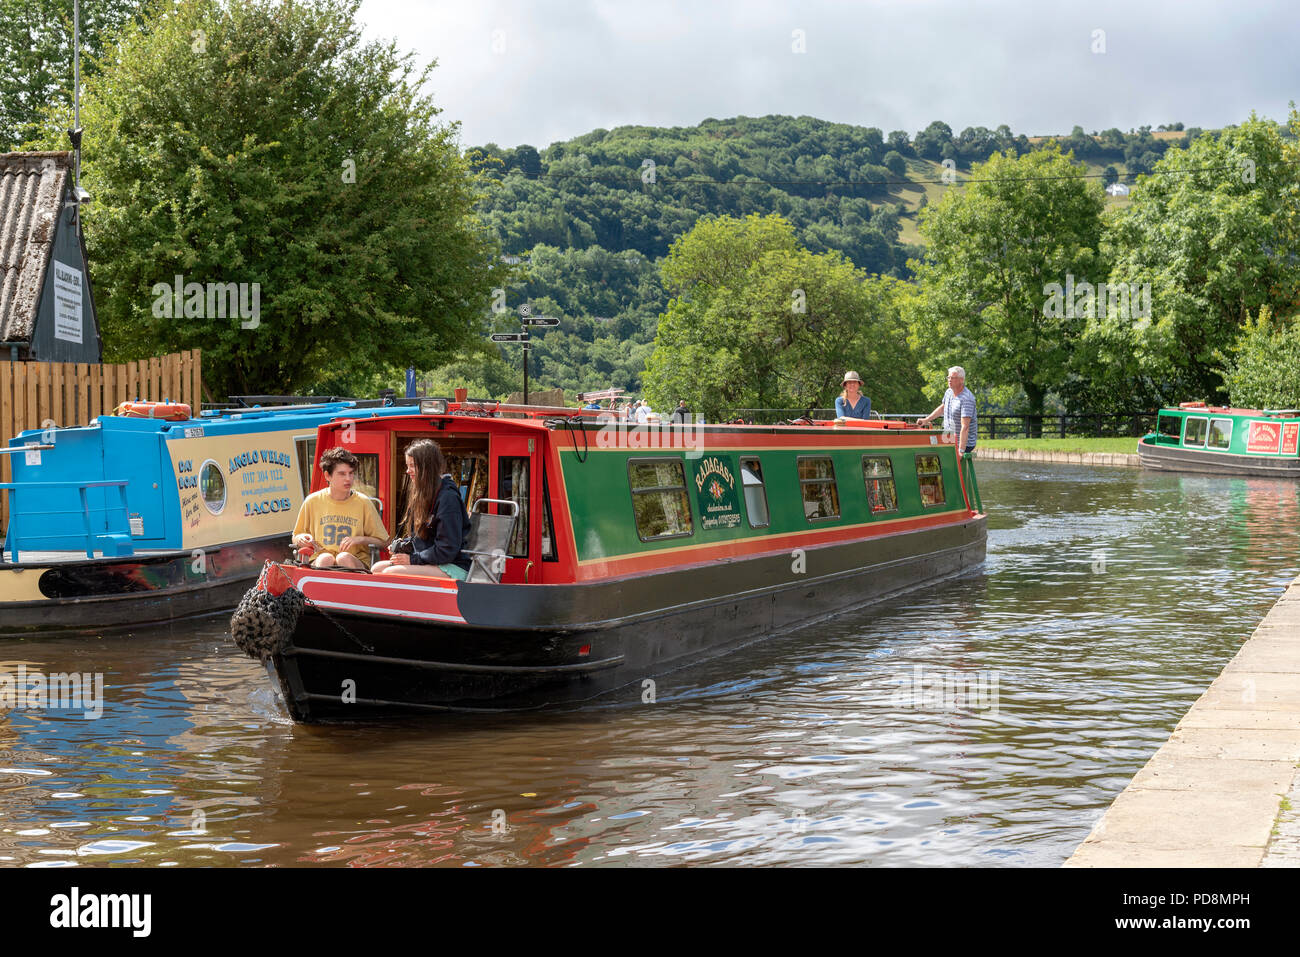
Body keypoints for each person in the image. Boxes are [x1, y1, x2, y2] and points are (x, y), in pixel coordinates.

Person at [371, 439, 471, 579]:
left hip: (454, 566)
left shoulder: (448, 498)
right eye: (407, 465)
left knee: (390, 574)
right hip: (432, 562)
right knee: (376, 568)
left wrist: (413, 560)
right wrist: (405, 549)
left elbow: (447, 550)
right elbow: (423, 540)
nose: (407, 471)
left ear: (427, 467)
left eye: (412, 465)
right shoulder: (426, 494)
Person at [292, 447, 388, 569]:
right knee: (325, 558)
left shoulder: (363, 503)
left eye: (351, 473)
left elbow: (384, 542)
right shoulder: (312, 501)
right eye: (342, 474)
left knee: (344, 558)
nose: (348, 479)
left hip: (355, 561)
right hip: (320, 560)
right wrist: (301, 539)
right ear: (327, 476)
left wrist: (361, 539)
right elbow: (295, 537)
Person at [920, 366, 978, 454]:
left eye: (953, 378)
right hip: (949, 439)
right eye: (949, 377)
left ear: (961, 380)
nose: (949, 380)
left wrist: (961, 450)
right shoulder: (949, 392)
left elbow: (965, 427)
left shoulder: (967, 399)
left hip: (964, 444)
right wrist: (926, 420)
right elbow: (943, 407)